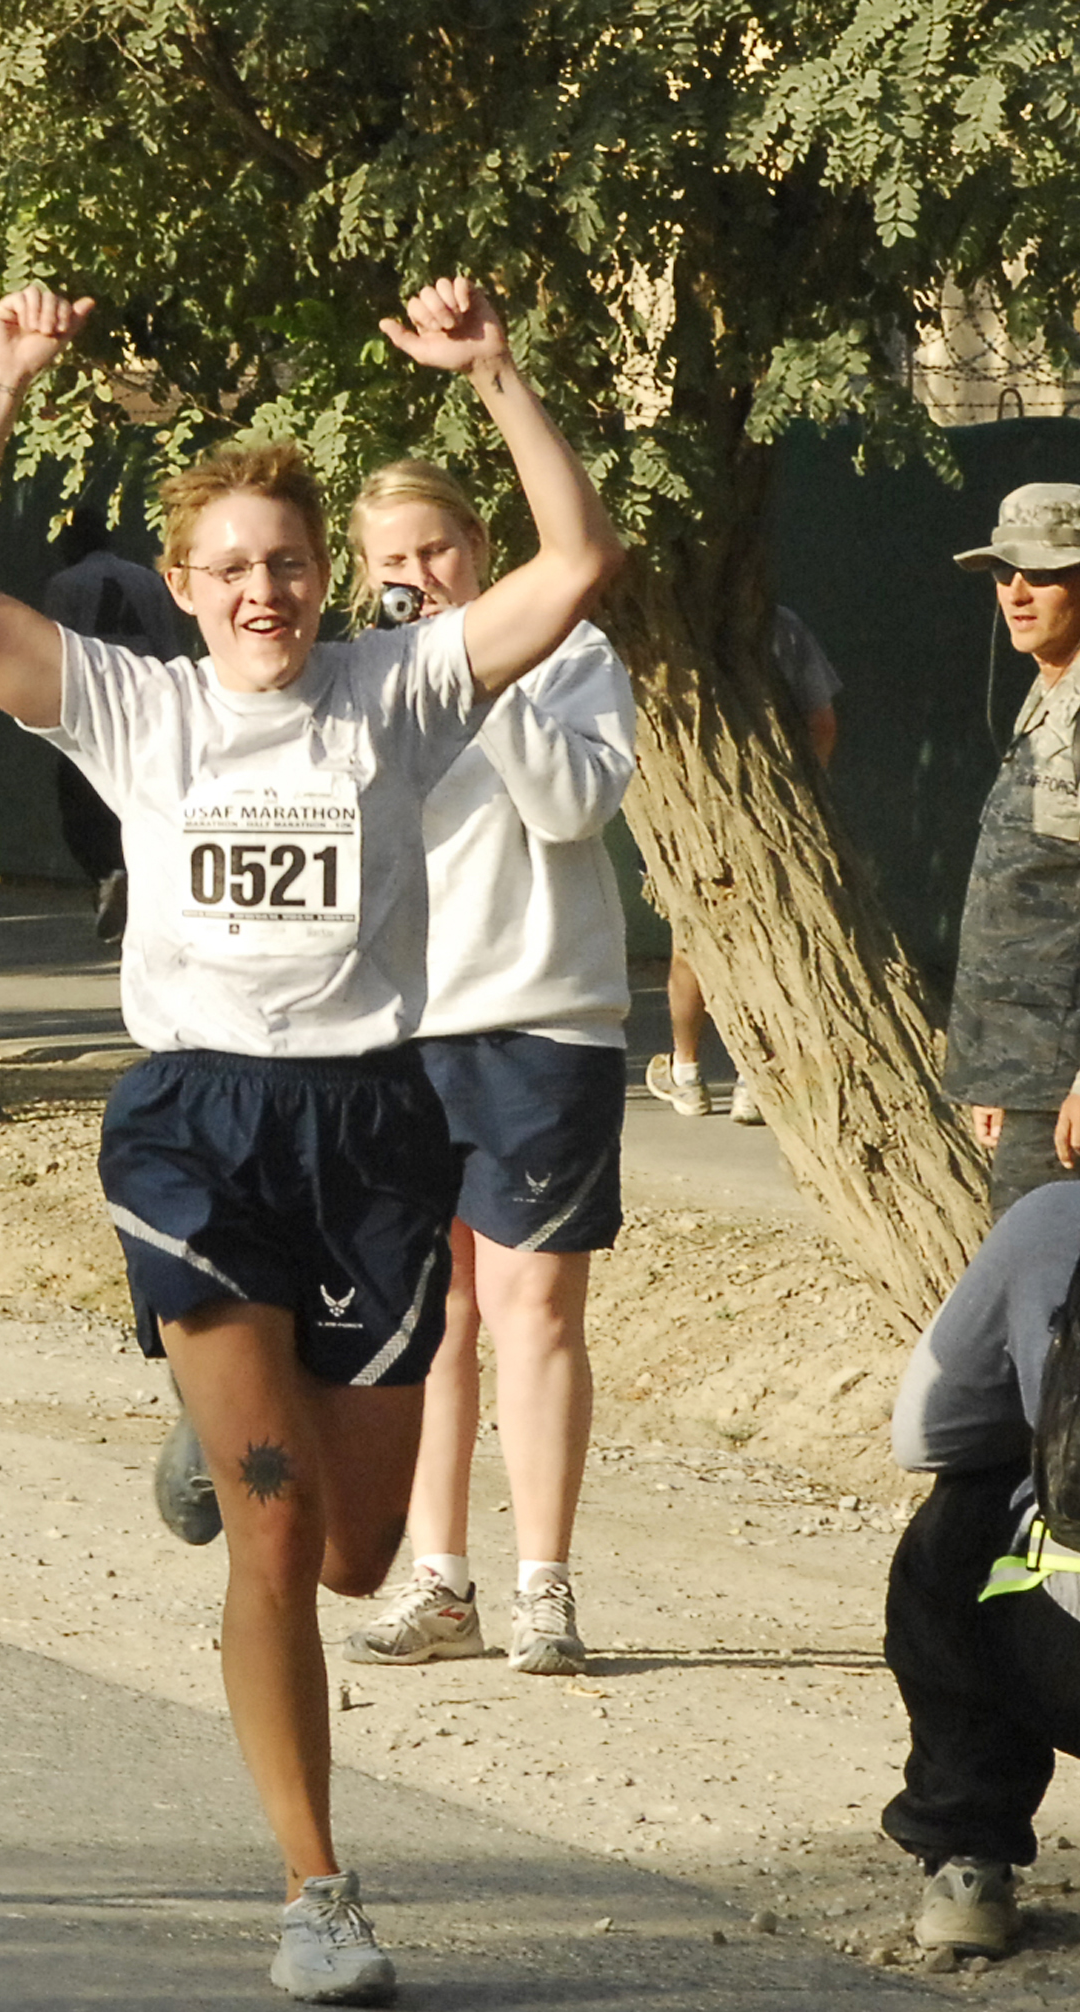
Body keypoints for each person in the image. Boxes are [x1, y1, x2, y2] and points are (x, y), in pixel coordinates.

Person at [0, 276, 623, 2003]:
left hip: (377, 1124)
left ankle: (219, 1431)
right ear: (184, 588)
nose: (261, 591)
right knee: (285, 1534)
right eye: (227, 567)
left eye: (286, 562)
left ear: (323, 574)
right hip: (200, 1124)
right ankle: (317, 1891)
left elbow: (578, 568)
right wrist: (0, 384)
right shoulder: (135, 704)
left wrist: (502, 378)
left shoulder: (399, 688)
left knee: (365, 1553)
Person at [335, 458, 635, 1676]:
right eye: (393, 564)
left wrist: (486, 665)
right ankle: (440, 1583)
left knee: (536, 1312)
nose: (419, 581)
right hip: (404, 1030)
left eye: (438, 554)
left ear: (482, 545)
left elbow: (570, 811)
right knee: (435, 1321)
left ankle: (545, 1588)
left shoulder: (569, 656)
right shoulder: (362, 679)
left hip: (542, 1023)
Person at [883, 1180, 1080, 1956]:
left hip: (1063, 1655)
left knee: (962, 1521)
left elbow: (927, 1438)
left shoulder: (1057, 1220)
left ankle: (970, 1853)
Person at [644, 607, 839, 1123]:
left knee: (689, 946)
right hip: (772, 819)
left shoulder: (662, 628)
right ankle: (753, 1078)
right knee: (764, 945)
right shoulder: (779, 625)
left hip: (694, 814)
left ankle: (688, 1074)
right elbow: (821, 723)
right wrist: (798, 801)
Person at [946, 484, 1080, 1217]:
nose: (1017, 593)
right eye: (1005, 573)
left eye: (1044, 571)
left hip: (1068, 1075)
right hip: (1027, 1071)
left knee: (1054, 1302)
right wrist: (994, 1070)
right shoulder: (1048, 691)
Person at [43, 509, 185, 941]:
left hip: (93, 707)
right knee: (143, 801)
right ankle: (139, 883)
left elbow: (58, 649)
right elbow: (167, 644)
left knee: (83, 808)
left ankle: (110, 875)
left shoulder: (66, 584)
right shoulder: (145, 578)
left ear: (71, 545)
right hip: (148, 700)